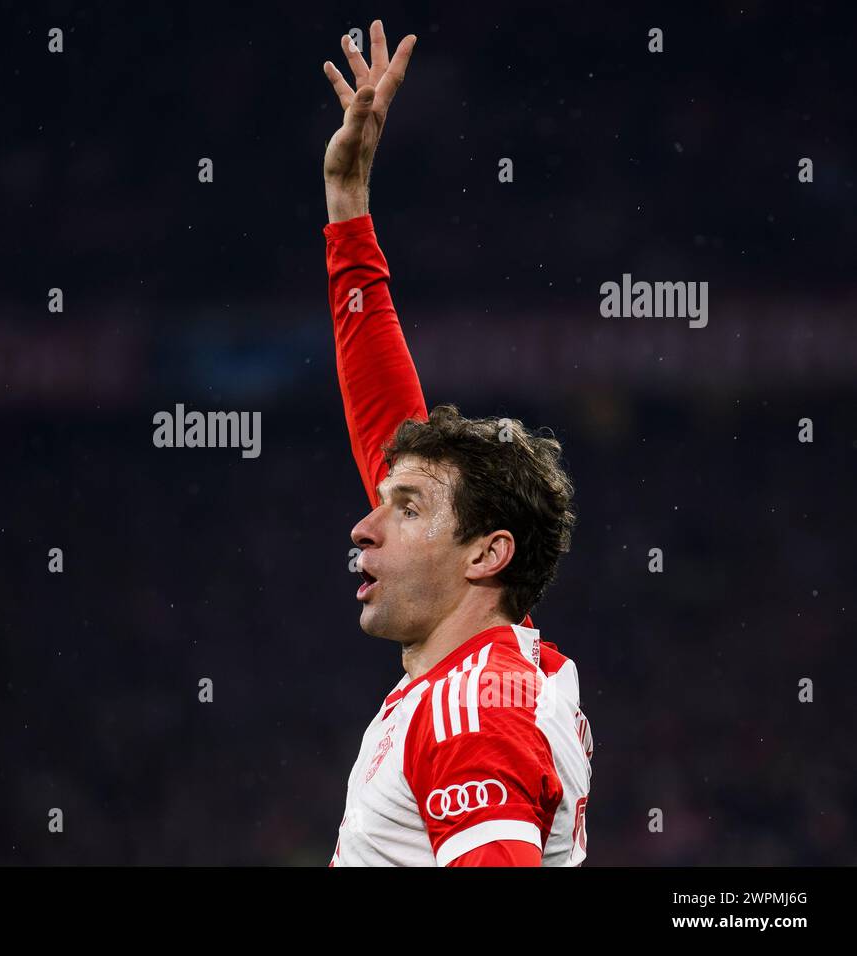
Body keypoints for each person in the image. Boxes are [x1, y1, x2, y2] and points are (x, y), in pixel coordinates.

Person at [322, 20, 593, 867]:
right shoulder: (490, 672)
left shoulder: (472, 711)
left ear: (486, 554)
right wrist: (348, 207)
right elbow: (386, 421)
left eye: (404, 509)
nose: (364, 528)